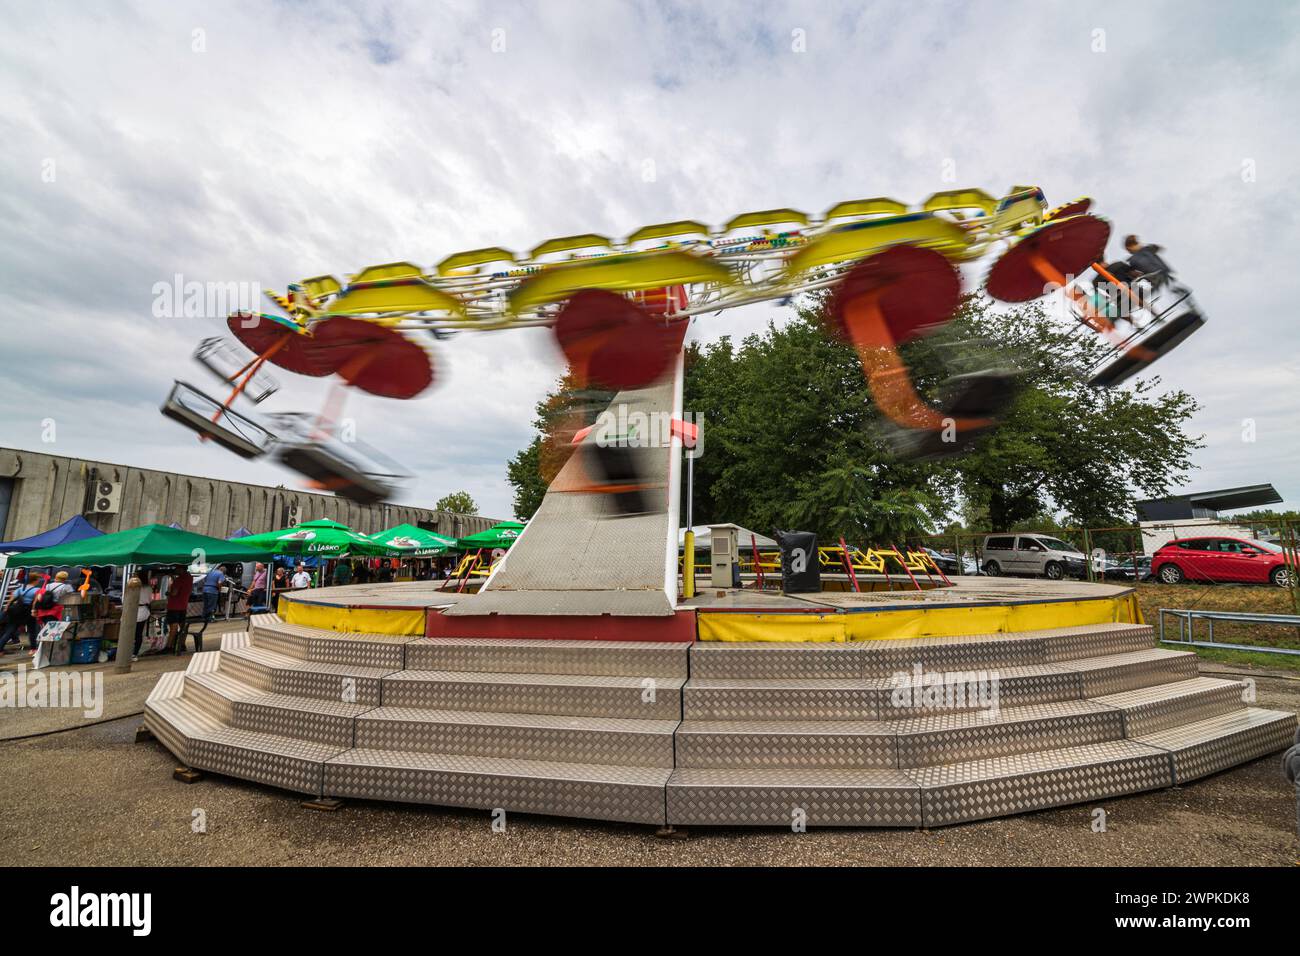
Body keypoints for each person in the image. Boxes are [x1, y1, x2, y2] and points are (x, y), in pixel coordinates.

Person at [166, 565, 194, 654]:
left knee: (173, 628)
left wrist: (168, 592)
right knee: (183, 627)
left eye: (176, 568)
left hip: (174, 606)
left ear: (181, 569)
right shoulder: (190, 578)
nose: (175, 569)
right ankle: (182, 644)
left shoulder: (179, 580)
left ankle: (169, 646)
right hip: (183, 605)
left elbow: (174, 593)